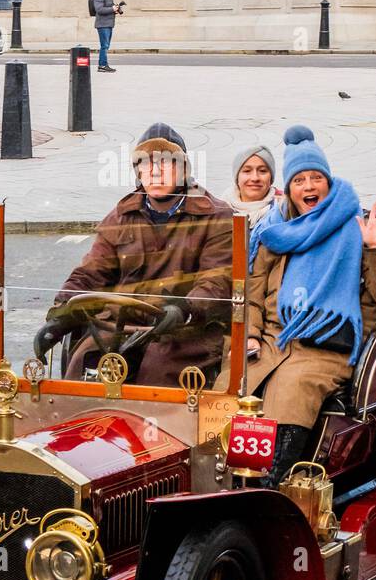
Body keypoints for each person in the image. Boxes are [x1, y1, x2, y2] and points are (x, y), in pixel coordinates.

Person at [225, 126, 376, 487]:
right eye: (300, 180)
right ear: (289, 189)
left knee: (293, 389)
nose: (309, 187)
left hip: (327, 346)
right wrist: (253, 336)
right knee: (231, 384)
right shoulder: (275, 231)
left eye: (316, 178)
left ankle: (271, 483)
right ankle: (222, 479)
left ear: (328, 180)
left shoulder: (355, 225)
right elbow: (253, 294)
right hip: (274, 341)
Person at [35, 122, 233, 385]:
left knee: (157, 371)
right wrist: (59, 318)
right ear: (138, 171)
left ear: (183, 169)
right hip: (121, 326)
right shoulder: (121, 216)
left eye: (167, 162)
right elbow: (91, 273)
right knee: (85, 368)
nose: (155, 171)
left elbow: (217, 281)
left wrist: (185, 308)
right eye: (146, 163)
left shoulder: (216, 216)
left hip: (187, 331)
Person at [227, 144, 281, 228]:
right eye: (247, 171)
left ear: (271, 178)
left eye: (262, 171)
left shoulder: (285, 208)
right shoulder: (220, 208)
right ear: (237, 177)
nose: (255, 178)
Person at [91, 0, 125, 74]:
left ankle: (104, 65)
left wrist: (116, 10)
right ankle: (102, 66)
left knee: (106, 46)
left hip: (109, 24)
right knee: (104, 46)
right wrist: (112, 9)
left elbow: (108, 9)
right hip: (102, 25)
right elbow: (99, 9)